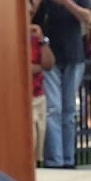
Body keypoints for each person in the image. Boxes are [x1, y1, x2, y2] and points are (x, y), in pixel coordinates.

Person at [29, 0, 91, 169]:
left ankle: (69, 159)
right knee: (53, 110)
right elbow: (25, 14)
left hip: (73, 55)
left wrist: (65, 0)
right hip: (49, 57)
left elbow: (88, 17)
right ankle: (55, 161)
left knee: (69, 111)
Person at [29, 24, 56, 166]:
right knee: (30, 141)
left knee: (38, 142)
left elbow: (49, 64)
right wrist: (38, 68)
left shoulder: (35, 37)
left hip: (38, 96)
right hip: (22, 98)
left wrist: (41, 40)